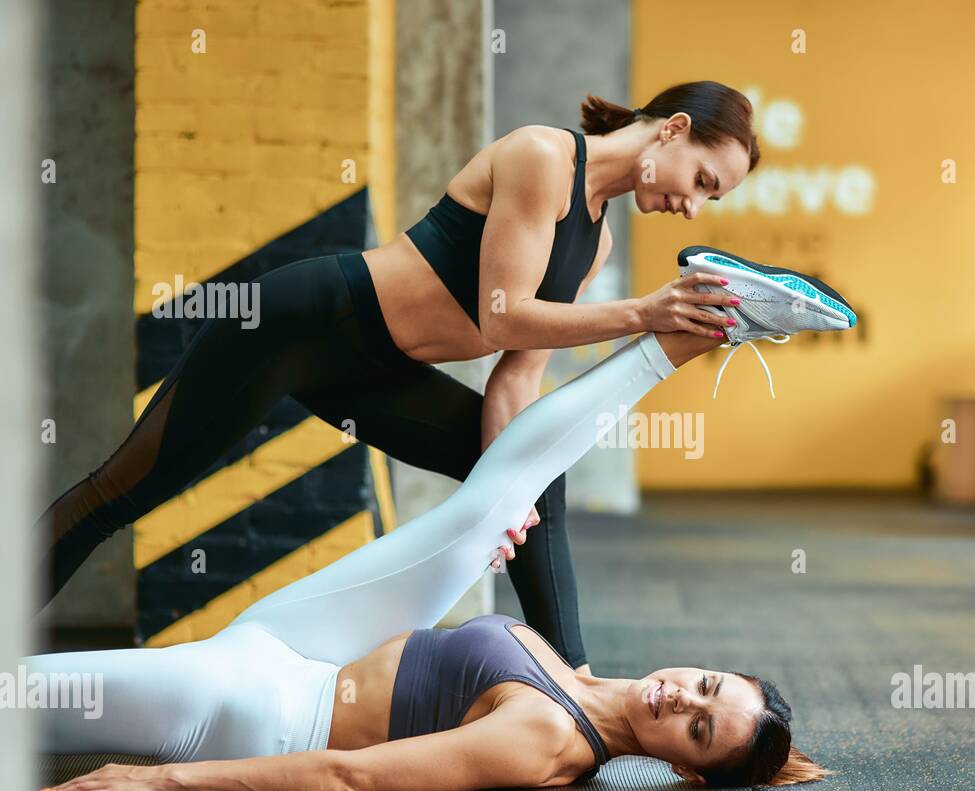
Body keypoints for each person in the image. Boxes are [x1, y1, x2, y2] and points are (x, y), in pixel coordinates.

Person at [35, 80, 764, 675]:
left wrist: (503, 490)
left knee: (543, 472)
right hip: (295, 326)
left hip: (377, 367)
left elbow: (515, 380)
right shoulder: (543, 158)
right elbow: (504, 315)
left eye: (711, 198)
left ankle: (571, 684)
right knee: (116, 493)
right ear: (671, 130)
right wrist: (642, 314)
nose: (692, 206)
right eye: (702, 180)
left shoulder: (596, 241)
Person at [32, 322, 854, 791]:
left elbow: (349, 776)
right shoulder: (577, 675)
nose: (681, 698)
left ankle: (676, 341)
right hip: (311, 642)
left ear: (680, 766)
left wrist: (166, 785)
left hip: (263, 707)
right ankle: (687, 334)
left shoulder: (547, 742)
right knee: (488, 509)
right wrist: (478, 556)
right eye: (706, 685)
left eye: (698, 729)